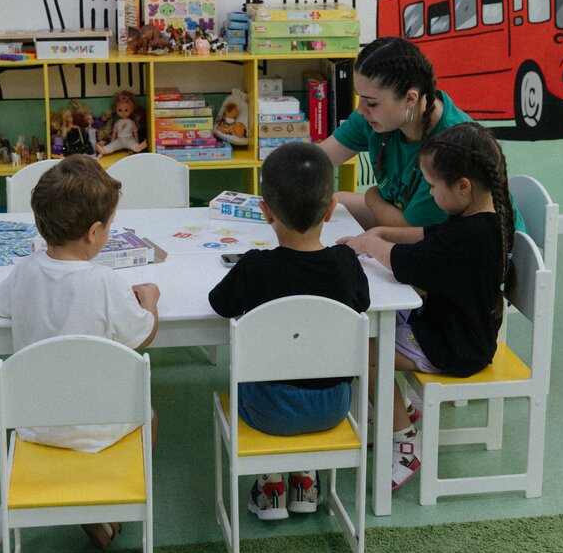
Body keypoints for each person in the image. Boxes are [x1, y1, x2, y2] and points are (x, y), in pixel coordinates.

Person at [0, 155, 159, 553]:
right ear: (95, 233)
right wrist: (150, 297)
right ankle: (109, 512)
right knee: (147, 414)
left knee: (38, 444)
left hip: (35, 425)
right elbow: (142, 334)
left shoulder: (25, 270)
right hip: (102, 424)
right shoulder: (105, 283)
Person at [337, 122, 515, 490]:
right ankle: (395, 410)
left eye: (432, 187)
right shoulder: (482, 217)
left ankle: (404, 438)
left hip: (455, 346)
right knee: (366, 324)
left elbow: (405, 262)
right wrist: (378, 234)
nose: (429, 194)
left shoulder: (469, 237)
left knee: (362, 347)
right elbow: (426, 235)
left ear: (463, 186)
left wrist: (374, 246)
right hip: (452, 325)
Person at [209, 142, 370, 521]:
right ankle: (305, 479)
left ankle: (271, 485)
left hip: (268, 411)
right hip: (332, 407)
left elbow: (220, 305)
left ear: (265, 213)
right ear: (331, 210)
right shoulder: (346, 262)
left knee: (246, 375)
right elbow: (361, 304)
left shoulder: (255, 267)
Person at [320, 36, 471, 231]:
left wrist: (372, 197)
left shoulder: (452, 145)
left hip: (446, 243)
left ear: (410, 98)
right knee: (337, 202)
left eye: (372, 102)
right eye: (359, 97)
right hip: (400, 219)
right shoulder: (373, 117)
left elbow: (412, 231)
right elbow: (317, 159)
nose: (361, 109)